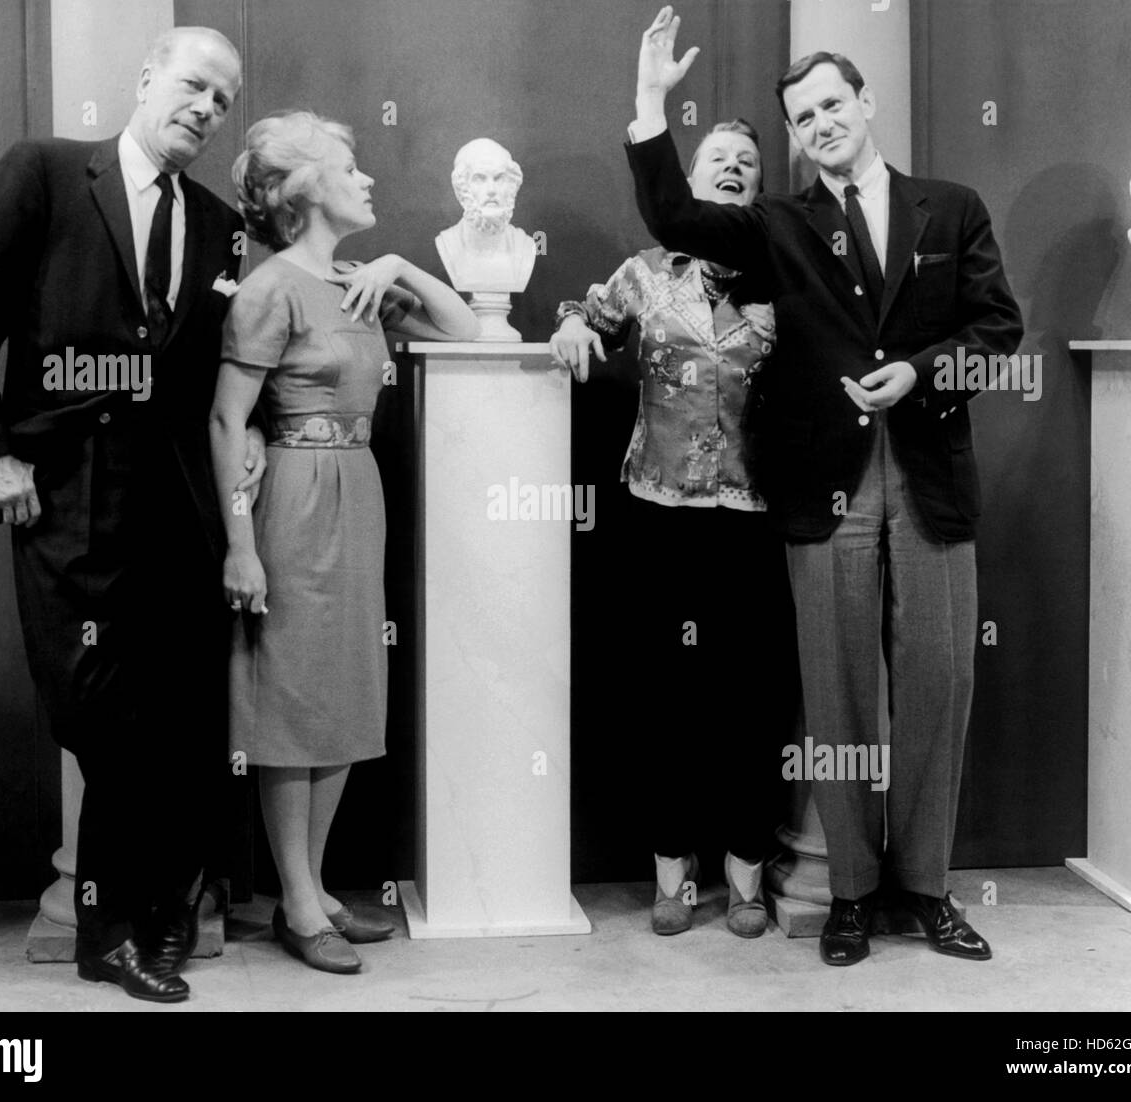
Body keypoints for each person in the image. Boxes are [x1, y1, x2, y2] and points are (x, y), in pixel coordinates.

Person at [624, 7, 1023, 965]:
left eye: (832, 105)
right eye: (802, 119)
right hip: (822, 486)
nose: (820, 125)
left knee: (938, 682)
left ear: (866, 102)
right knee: (836, 694)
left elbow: (999, 338)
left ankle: (925, 889)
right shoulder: (778, 223)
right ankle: (849, 894)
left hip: (927, 475)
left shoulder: (952, 206)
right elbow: (675, 217)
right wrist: (649, 104)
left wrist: (924, 371)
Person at [0, 27, 264, 1003]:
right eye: (195, 86)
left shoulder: (218, 223)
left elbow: (208, 373)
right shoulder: (42, 172)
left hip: (174, 509)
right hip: (64, 497)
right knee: (102, 719)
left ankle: (129, 930)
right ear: (148, 75)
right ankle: (129, 913)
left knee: (174, 727)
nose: (206, 108)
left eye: (222, 101)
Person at [211, 111, 477, 974]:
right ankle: (296, 901)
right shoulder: (270, 288)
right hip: (289, 497)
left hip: (359, 494)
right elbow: (226, 420)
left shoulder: (364, 282)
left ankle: (315, 887)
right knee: (289, 699)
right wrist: (240, 546)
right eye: (350, 165)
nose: (367, 180)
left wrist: (400, 264)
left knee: (342, 698)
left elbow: (468, 330)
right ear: (301, 190)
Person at [550, 119, 798, 938]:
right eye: (716, 159)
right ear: (686, 183)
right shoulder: (647, 273)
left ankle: (746, 871)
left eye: (747, 163)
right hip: (659, 514)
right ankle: (670, 869)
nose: (732, 168)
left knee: (752, 699)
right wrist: (576, 325)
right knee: (665, 695)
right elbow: (587, 313)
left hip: (755, 520)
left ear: (758, 189)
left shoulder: (784, 274)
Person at [435, 137, 536, 292]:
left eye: (499, 179)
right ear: (462, 188)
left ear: (511, 186)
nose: (491, 190)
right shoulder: (448, 244)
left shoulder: (525, 247)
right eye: (479, 179)